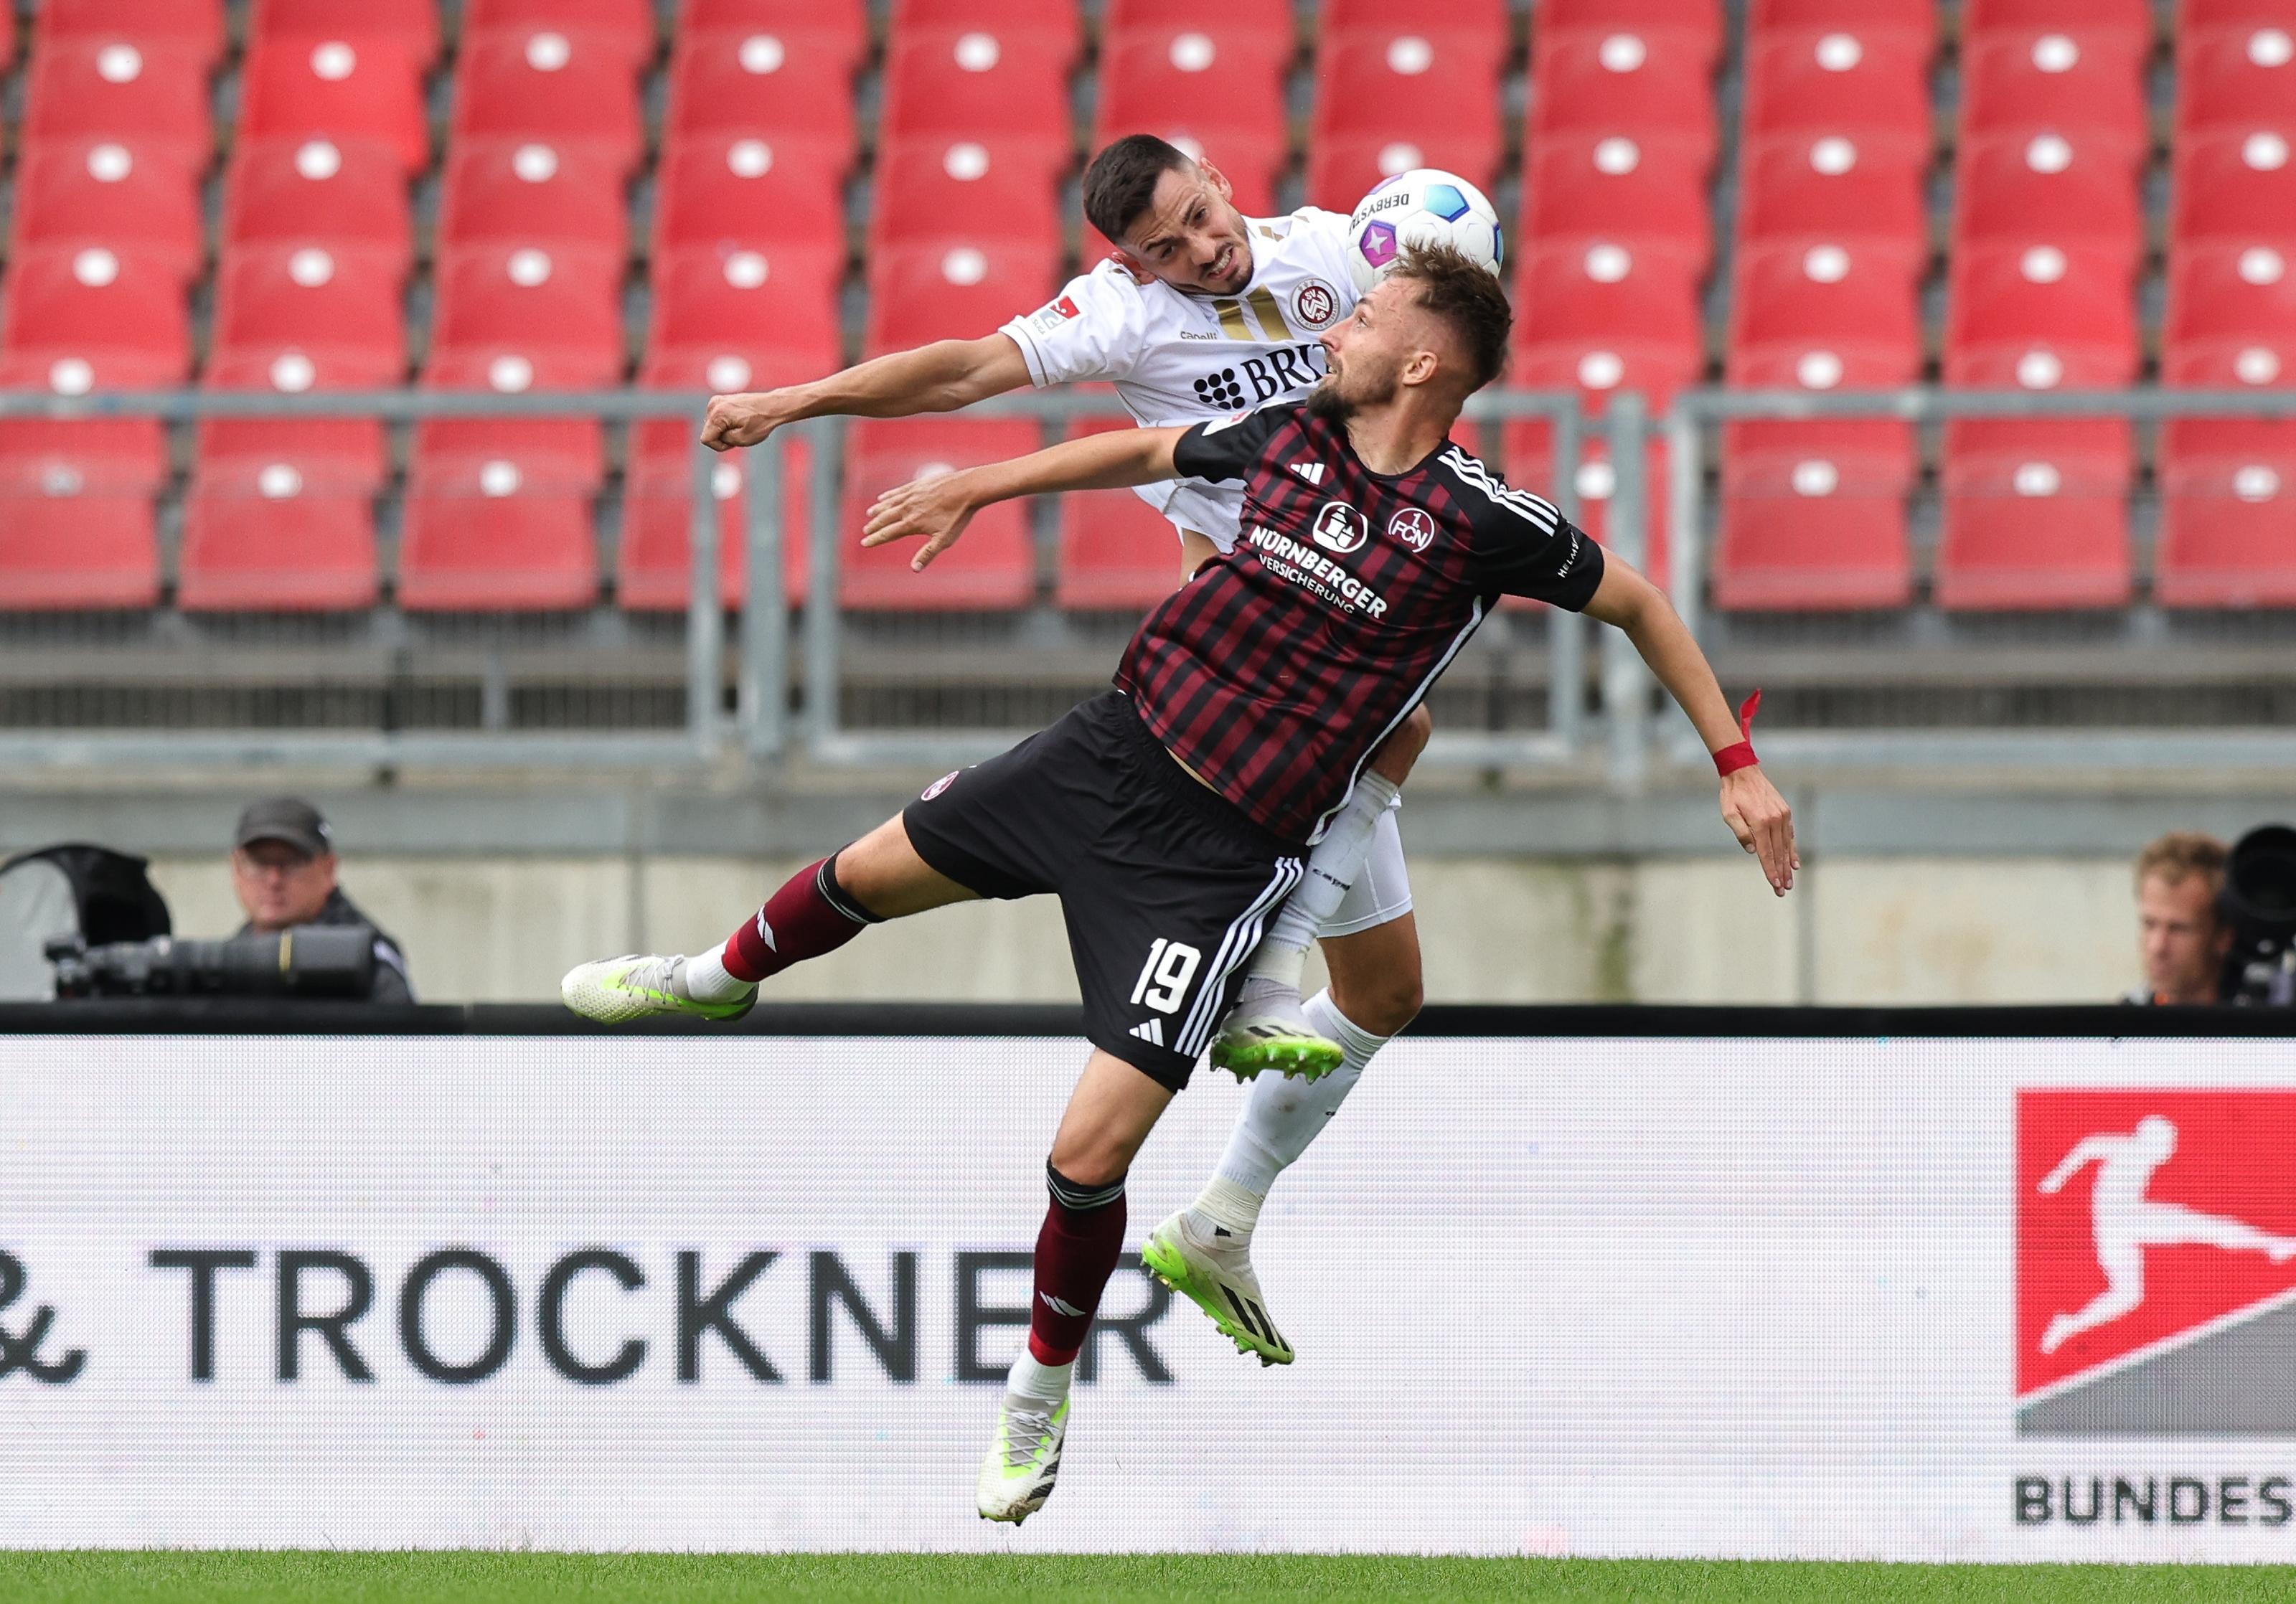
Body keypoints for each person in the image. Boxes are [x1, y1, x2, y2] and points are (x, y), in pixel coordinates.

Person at [563, 247, 1797, 1524]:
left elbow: (1642, 603)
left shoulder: (1484, 521)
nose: (1341, 327)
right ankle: (708, 984)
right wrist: (981, 484)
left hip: (1213, 860)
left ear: (1424, 361)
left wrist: (1737, 766)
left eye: (1368, 318)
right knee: (863, 872)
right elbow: (1142, 457)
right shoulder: (1289, 431)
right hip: (1104, 754)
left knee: (1086, 1152)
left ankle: (1035, 1405)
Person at [699, 136, 1432, 1364]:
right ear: (1124, 261)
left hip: (1349, 618)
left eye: (1201, 218)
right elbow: (965, 373)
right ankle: (1247, 1003)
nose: (1202, 253)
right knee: (1390, 730)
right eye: (1165, 248)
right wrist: (796, 400)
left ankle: (1225, 1211)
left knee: (1387, 992)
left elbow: (1441, 336)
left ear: (1216, 173)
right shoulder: (1125, 318)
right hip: (1262, 651)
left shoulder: (1331, 252)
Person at [230, 798, 415, 1004]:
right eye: (259, 863)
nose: (274, 880)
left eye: (292, 863)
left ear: (328, 869)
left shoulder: (365, 957)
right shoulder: (229, 959)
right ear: (236, 870)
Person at [2126, 831, 2231, 1005]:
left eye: (2178, 929)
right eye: (2149, 924)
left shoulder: (2266, 1025)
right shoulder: (2123, 1024)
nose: (2157, 947)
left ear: (2224, 935)